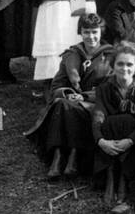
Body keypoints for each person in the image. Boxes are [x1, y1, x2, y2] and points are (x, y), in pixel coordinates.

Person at [24, 13, 113, 180]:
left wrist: (85, 97)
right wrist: (69, 94)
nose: (91, 37)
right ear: (80, 32)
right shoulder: (72, 55)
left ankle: (66, 157)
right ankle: (61, 157)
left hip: (94, 105)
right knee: (61, 104)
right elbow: (56, 86)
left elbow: (110, 88)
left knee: (65, 108)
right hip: (69, 101)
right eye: (86, 32)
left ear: (101, 32)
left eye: (95, 32)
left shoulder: (110, 57)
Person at [92, 41, 135, 212]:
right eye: (120, 64)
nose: (124, 68)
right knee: (111, 121)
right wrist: (101, 141)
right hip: (110, 138)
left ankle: (122, 177)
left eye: (129, 64)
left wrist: (129, 141)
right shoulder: (105, 87)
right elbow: (98, 114)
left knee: (127, 120)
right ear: (113, 66)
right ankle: (110, 177)